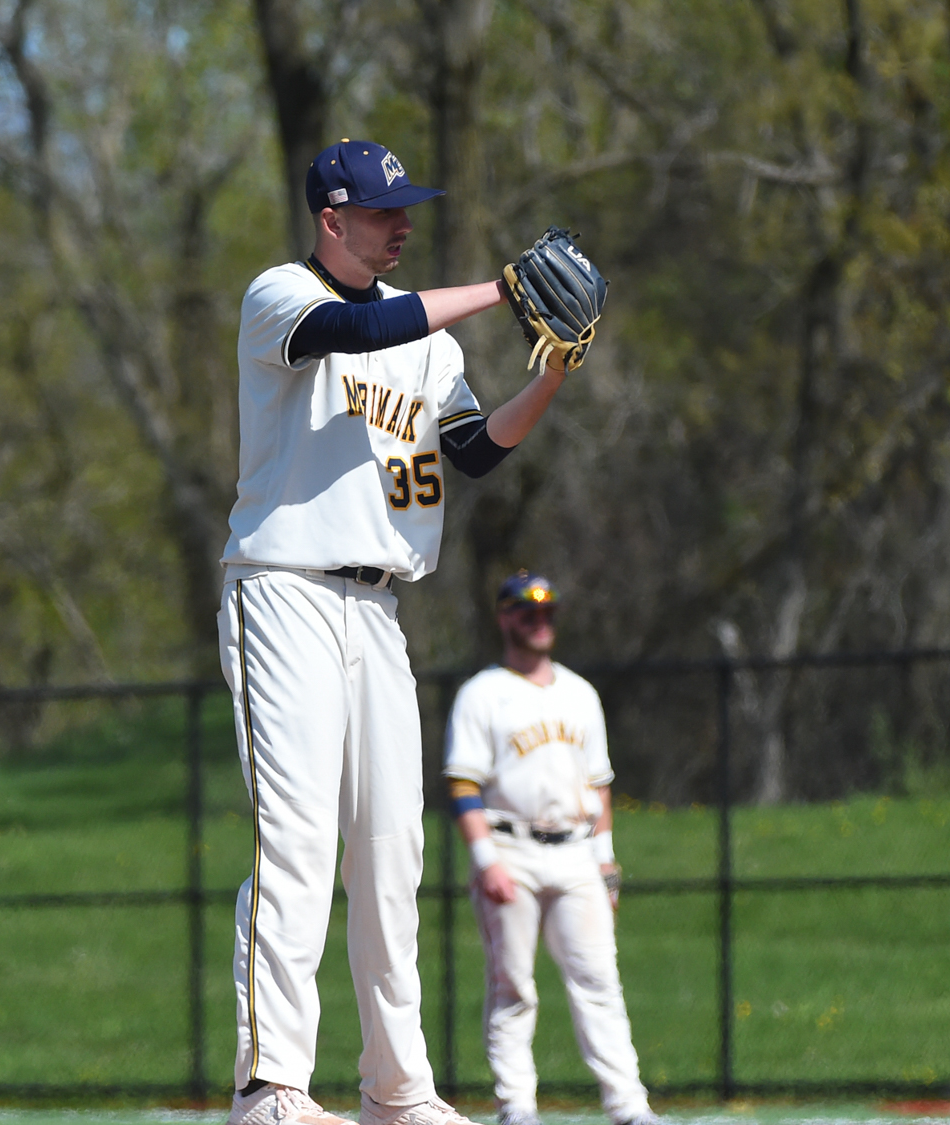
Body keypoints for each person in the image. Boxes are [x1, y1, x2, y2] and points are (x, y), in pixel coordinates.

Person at [219, 140, 580, 1125]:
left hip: (378, 610)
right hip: (282, 587)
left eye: (405, 209)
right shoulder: (278, 297)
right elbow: (350, 328)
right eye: (382, 212)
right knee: (293, 841)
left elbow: (467, 452)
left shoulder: (436, 345)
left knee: (390, 856)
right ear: (329, 217)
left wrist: (549, 375)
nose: (401, 225)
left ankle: (396, 1091)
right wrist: (500, 290)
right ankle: (269, 1087)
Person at [443, 572, 659, 1125]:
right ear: (504, 617)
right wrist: (485, 859)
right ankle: (516, 1105)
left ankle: (629, 1107)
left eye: (546, 612)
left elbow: (599, 784)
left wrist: (606, 859)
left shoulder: (579, 692)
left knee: (599, 980)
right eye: (525, 611)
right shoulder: (482, 693)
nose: (538, 621)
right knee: (512, 984)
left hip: (576, 852)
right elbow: (464, 783)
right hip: (510, 847)